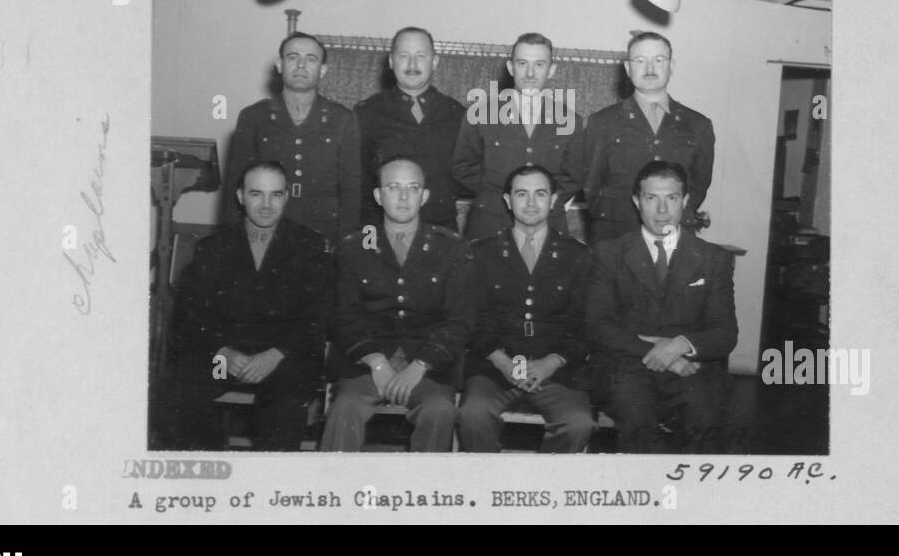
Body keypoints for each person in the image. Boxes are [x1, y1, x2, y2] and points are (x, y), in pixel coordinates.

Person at [170, 161, 332, 451]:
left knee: (284, 403)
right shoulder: (213, 248)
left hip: (283, 358)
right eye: (256, 194)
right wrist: (223, 352)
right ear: (240, 196)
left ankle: (270, 484)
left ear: (287, 197)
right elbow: (191, 315)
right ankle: (213, 475)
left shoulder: (310, 246)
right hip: (223, 358)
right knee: (181, 393)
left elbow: (317, 315)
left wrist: (276, 353)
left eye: (276, 194)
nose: (267, 205)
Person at [321, 155, 476, 452]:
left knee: (439, 410)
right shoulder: (354, 246)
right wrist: (377, 362)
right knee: (345, 409)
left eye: (413, 188)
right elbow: (343, 316)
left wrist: (419, 366)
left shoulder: (452, 247)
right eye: (393, 187)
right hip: (366, 364)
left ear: (424, 196)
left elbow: (460, 321)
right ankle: (332, 489)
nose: (404, 197)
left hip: (428, 366)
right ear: (379, 196)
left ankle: (421, 494)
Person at [586, 160, 737, 453]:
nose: (662, 210)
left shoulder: (712, 258)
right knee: (636, 417)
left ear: (686, 202)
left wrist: (680, 345)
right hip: (628, 365)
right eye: (651, 198)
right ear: (636, 201)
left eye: (671, 198)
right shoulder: (609, 254)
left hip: (694, 368)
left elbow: (725, 333)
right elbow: (599, 325)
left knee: (704, 417)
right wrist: (661, 353)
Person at [457, 165, 595, 453]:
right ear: (507, 201)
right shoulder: (481, 252)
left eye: (540, 194)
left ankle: (544, 491)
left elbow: (586, 322)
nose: (531, 203)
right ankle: (484, 489)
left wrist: (552, 362)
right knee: (473, 415)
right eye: (522, 194)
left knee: (579, 423)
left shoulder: (578, 255)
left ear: (554, 200)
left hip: (556, 370)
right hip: (495, 368)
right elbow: (470, 319)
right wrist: (504, 362)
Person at [221, 32, 361, 246]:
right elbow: (236, 184)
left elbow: (351, 190)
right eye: (293, 57)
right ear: (279, 65)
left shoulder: (342, 119)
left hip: (323, 232)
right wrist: (231, 241)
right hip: (266, 229)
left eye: (311, 59)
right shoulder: (254, 117)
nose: (301, 65)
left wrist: (346, 244)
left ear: (323, 70)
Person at [582, 32, 715, 242]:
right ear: (628, 68)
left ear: (671, 66)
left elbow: (699, 186)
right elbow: (591, 187)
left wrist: (670, 215)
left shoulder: (698, 125)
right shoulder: (602, 122)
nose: (650, 68)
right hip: (617, 236)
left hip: (675, 236)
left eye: (659, 60)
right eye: (640, 60)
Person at [453, 32, 585, 240]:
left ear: (551, 70)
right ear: (510, 67)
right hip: (491, 222)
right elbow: (463, 167)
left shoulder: (570, 120)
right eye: (522, 63)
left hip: (548, 224)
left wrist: (543, 201)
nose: (530, 73)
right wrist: (497, 196)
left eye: (539, 64)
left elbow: (575, 176)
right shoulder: (480, 114)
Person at [355, 27, 469, 231]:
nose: (412, 65)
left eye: (421, 56)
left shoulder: (456, 115)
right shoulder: (367, 114)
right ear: (391, 61)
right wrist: (367, 242)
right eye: (404, 56)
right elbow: (357, 184)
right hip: (380, 231)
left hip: (440, 232)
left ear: (434, 62)